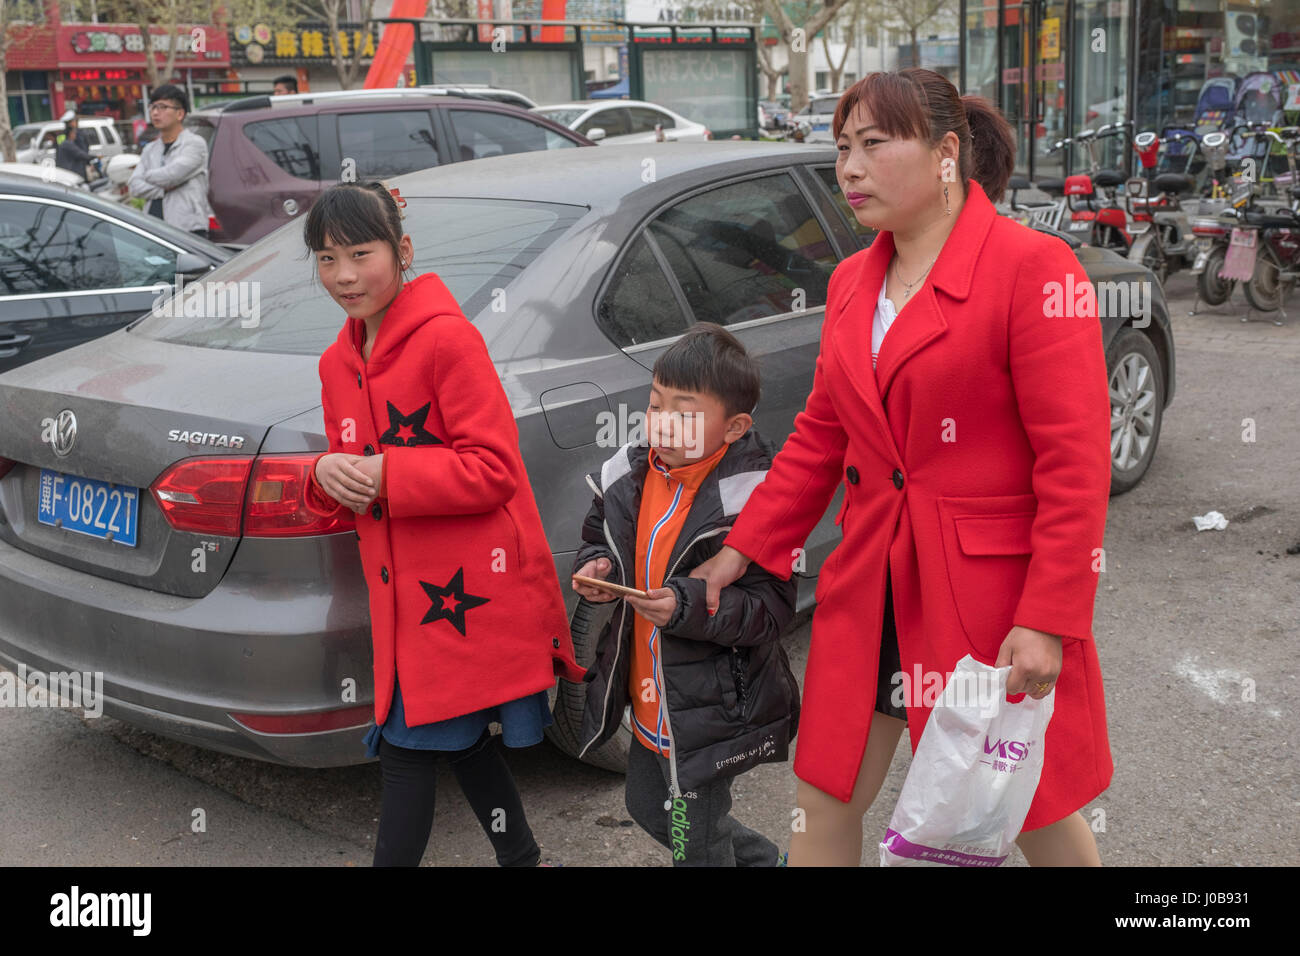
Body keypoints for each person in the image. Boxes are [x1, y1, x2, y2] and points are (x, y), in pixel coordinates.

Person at [690, 68, 1114, 866]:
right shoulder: (853, 281)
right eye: (842, 148)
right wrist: (744, 547)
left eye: (874, 145)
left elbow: (1076, 461)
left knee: (1023, 804)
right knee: (823, 795)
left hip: (985, 601)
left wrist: (1049, 617)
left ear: (947, 153)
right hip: (872, 584)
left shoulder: (1034, 269)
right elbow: (821, 435)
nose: (847, 168)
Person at [303, 181, 586, 867]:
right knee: (460, 745)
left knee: (407, 753)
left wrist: (387, 475)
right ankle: (523, 858)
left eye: (359, 254)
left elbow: (493, 469)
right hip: (403, 611)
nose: (342, 275)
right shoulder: (336, 363)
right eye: (324, 258)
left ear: (402, 250)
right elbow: (348, 476)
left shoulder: (447, 341)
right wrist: (321, 477)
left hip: (460, 605)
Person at [570, 323, 800, 867]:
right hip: (648, 696)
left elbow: (771, 609)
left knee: (692, 841)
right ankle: (765, 862)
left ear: (735, 427)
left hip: (709, 708)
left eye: (686, 413)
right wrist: (595, 568)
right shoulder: (627, 475)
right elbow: (593, 534)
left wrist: (689, 606)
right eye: (655, 404)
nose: (663, 424)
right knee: (648, 806)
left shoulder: (754, 499)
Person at [127, 85, 213, 238]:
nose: (155, 112)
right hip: (154, 231)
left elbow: (172, 175)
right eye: (152, 107)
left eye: (162, 107)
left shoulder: (195, 144)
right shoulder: (150, 149)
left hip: (188, 229)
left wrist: (145, 175)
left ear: (180, 114)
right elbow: (134, 186)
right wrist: (163, 189)